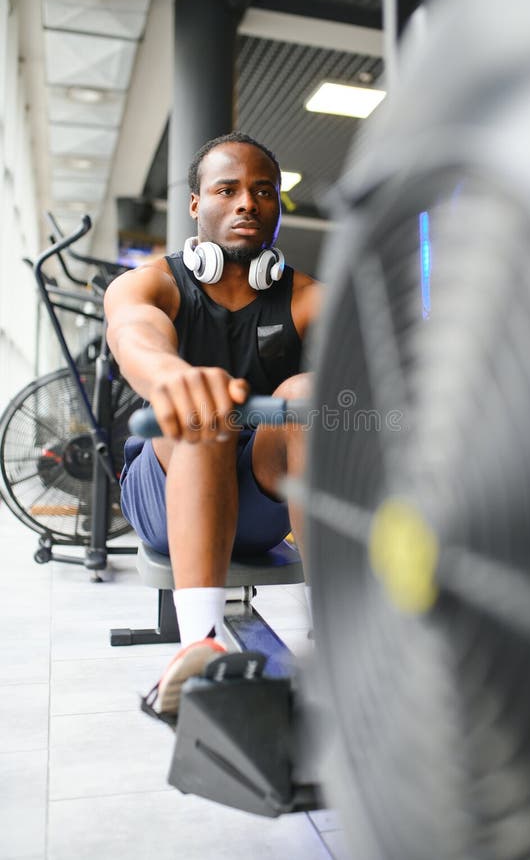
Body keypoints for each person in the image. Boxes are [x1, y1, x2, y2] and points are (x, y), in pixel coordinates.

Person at [104, 132, 321, 713]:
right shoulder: (153, 282)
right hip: (168, 493)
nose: (248, 202)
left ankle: (341, 631)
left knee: (309, 394)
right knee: (206, 409)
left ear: (276, 206)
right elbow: (132, 331)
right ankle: (196, 649)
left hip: (262, 506)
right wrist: (170, 376)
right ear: (197, 204)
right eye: (228, 190)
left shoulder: (305, 297)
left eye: (264, 191)